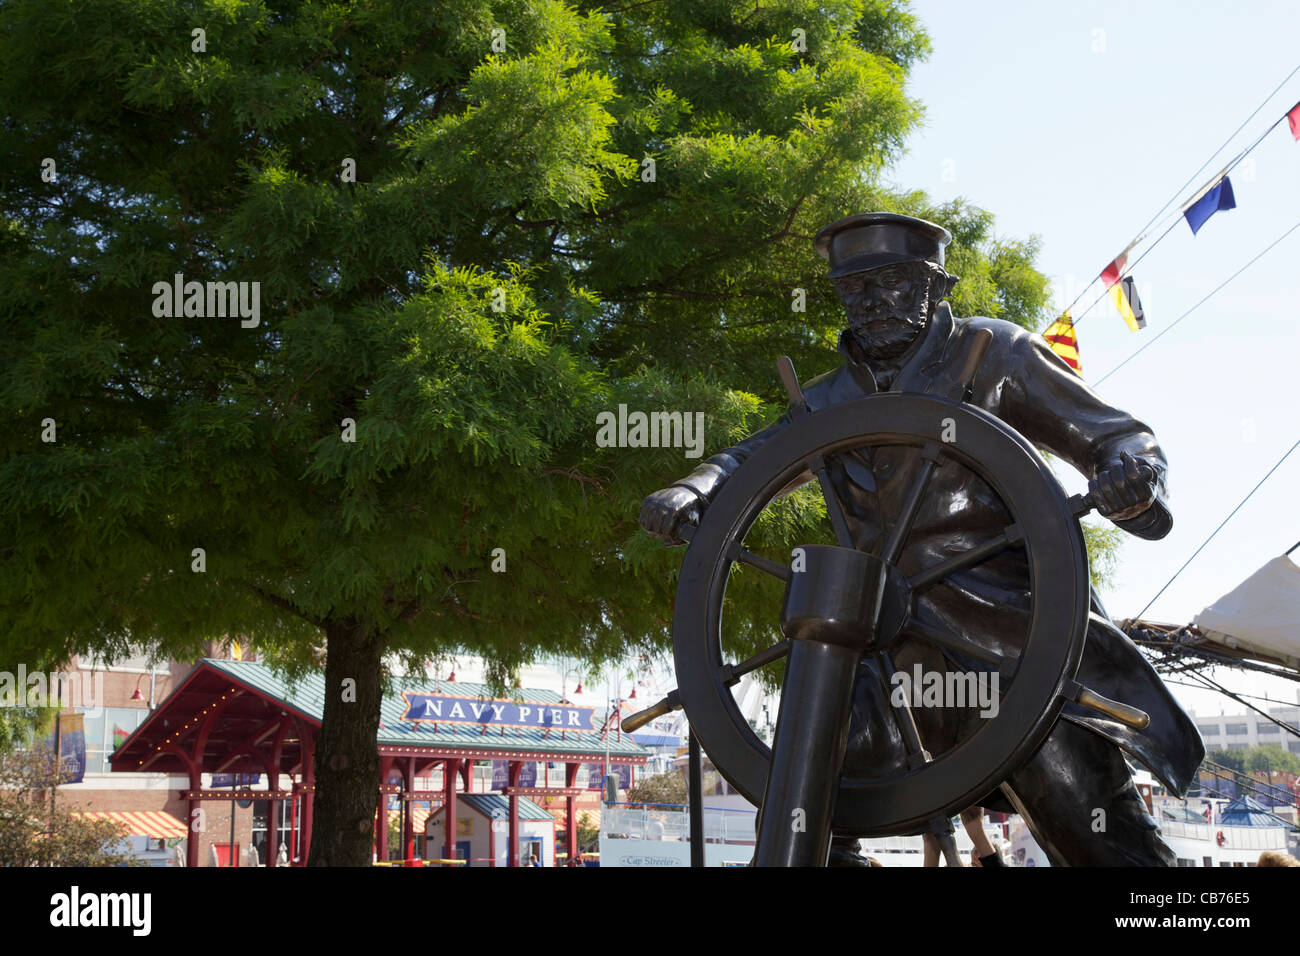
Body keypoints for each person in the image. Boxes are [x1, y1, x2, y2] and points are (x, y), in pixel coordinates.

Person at [640, 212, 1204, 866]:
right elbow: (748, 463)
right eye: (854, 289)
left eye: (894, 284)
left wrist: (1129, 477)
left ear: (938, 286)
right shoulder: (828, 402)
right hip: (881, 661)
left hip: (1018, 653)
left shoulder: (997, 355)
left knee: (1102, 849)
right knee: (797, 810)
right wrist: (696, 487)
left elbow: (1121, 439)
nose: (871, 302)